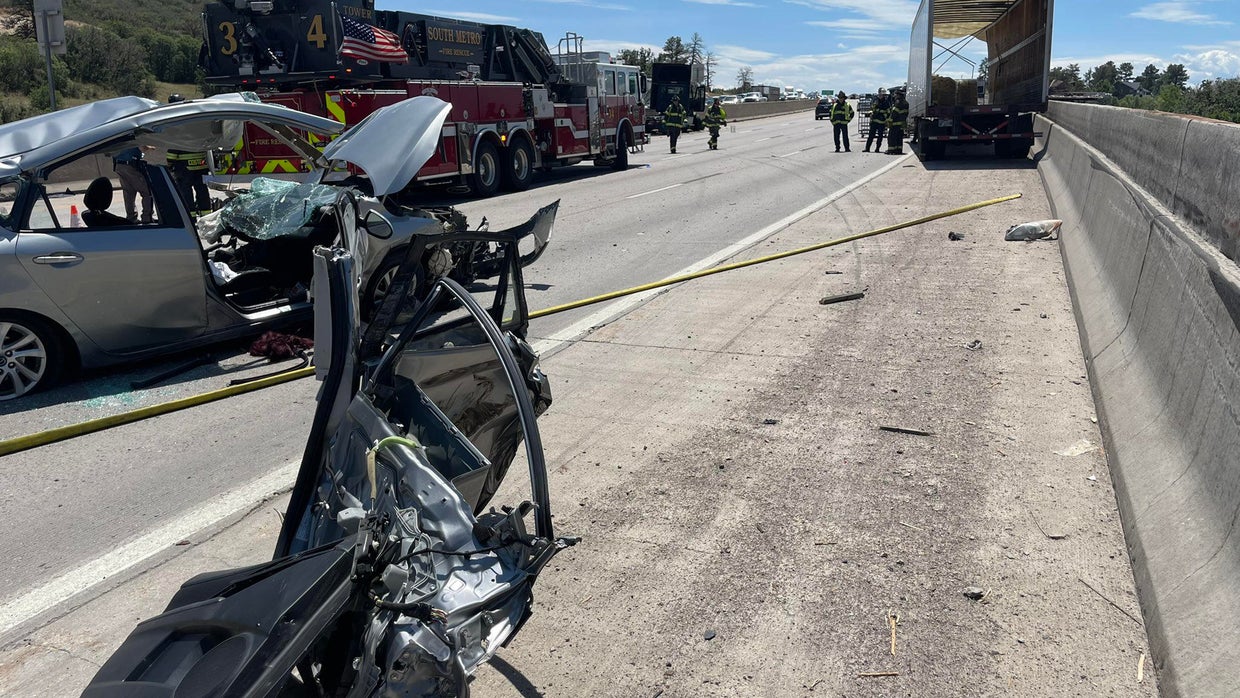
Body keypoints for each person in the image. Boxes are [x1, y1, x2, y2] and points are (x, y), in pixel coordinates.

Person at [165, 94, 212, 216]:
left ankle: (190, 216)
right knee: (202, 189)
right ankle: (206, 214)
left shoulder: (175, 122)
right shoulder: (194, 118)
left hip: (184, 166)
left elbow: (174, 145)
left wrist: (170, 162)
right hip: (201, 163)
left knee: (186, 190)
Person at [112, 146, 154, 224]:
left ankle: (131, 218)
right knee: (147, 192)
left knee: (129, 193)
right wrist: (149, 147)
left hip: (119, 165)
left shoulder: (122, 139)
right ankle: (147, 218)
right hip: (130, 166)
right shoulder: (135, 138)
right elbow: (142, 147)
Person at [864, 88, 890, 153]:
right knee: (871, 135)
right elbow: (872, 108)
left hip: (881, 121)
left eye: (884, 95)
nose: (882, 96)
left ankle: (877, 148)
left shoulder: (886, 102)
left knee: (880, 136)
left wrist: (885, 118)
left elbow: (888, 112)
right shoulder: (875, 100)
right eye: (882, 94)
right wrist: (871, 113)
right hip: (874, 121)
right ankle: (867, 148)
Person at [886, 89, 909, 155]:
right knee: (899, 138)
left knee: (892, 137)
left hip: (895, 123)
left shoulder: (898, 102)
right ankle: (899, 150)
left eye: (895, 94)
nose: (894, 96)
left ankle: (891, 150)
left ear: (898, 95)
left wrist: (889, 120)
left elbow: (894, 113)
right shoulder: (906, 102)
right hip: (901, 124)